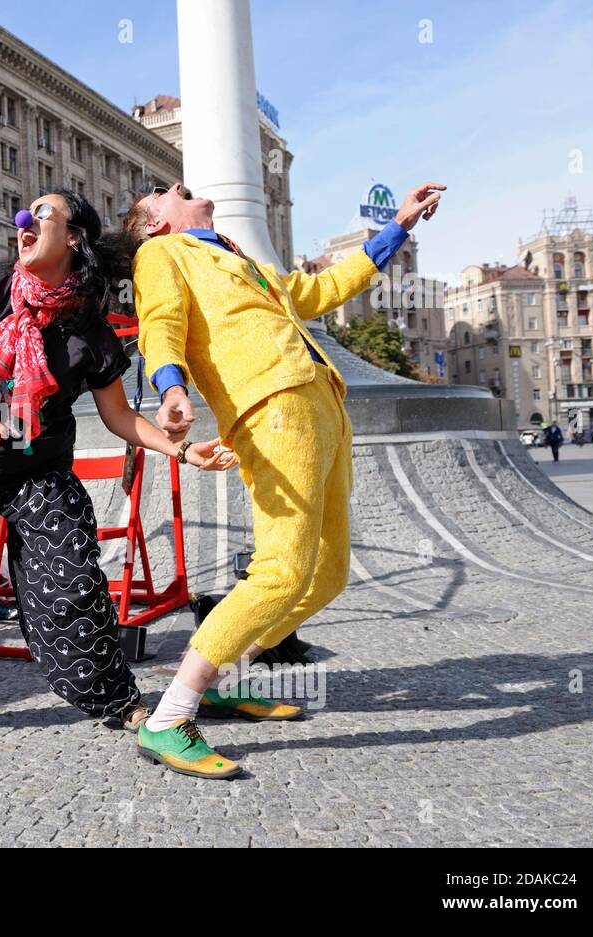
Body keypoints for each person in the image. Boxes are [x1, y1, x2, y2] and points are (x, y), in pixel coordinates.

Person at [0, 189, 235, 745]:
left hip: (38, 469)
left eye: (42, 214)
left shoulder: (91, 332)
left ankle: (116, 699)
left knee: (71, 581)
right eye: (25, 213)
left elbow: (118, 417)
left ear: (74, 237)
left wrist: (182, 450)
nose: (24, 221)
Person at [122, 179, 445, 778]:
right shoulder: (161, 254)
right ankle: (170, 716)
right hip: (270, 405)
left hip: (322, 404)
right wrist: (171, 388)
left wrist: (397, 229)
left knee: (327, 573)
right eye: (164, 194)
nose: (176, 186)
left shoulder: (237, 258)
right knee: (282, 569)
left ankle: (224, 682)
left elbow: (320, 289)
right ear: (153, 224)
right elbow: (161, 324)